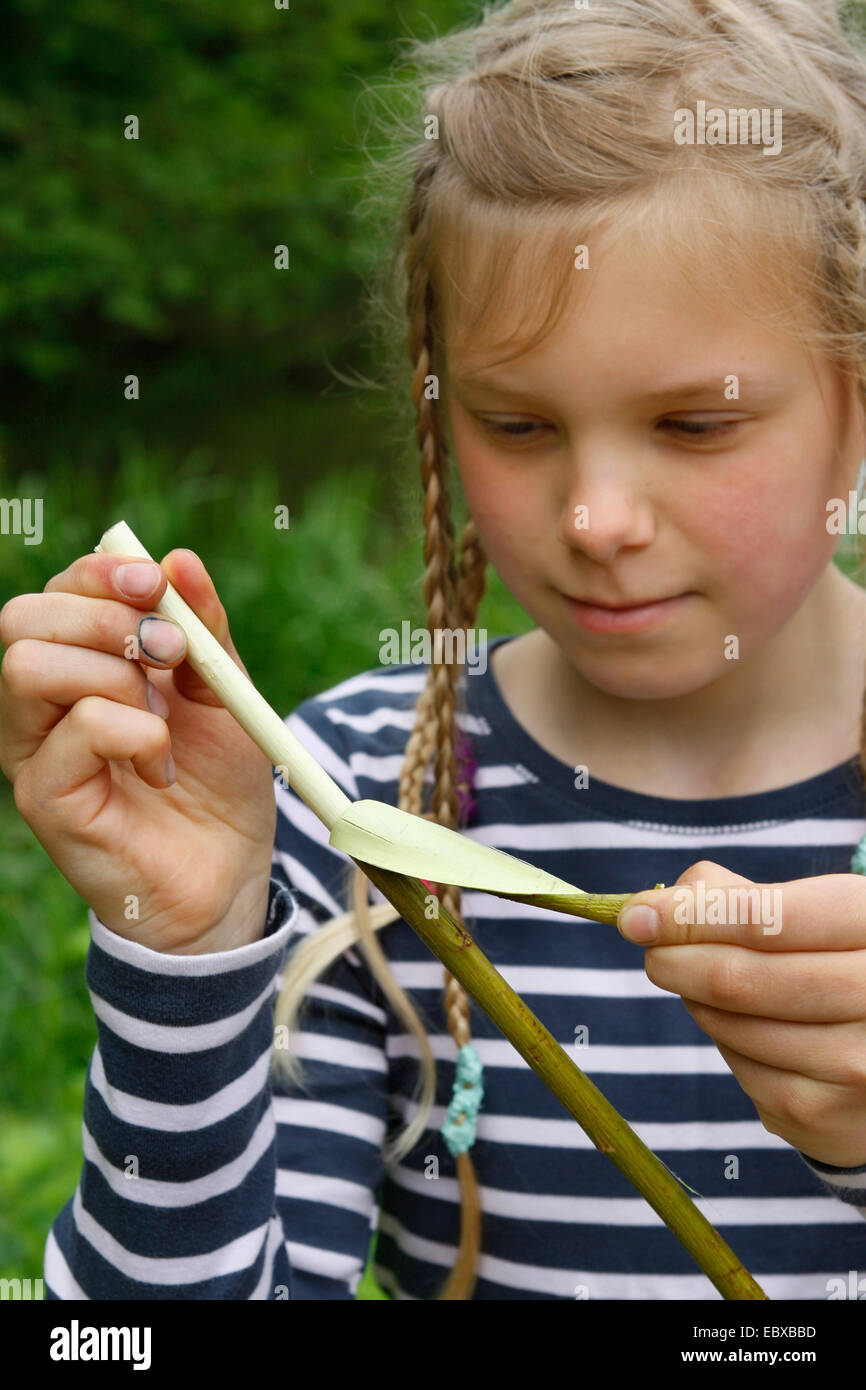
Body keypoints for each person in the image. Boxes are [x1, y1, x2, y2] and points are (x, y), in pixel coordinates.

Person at [3, 0, 866, 1301]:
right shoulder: (345, 795)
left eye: (692, 424)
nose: (595, 520)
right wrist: (180, 949)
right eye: (516, 425)